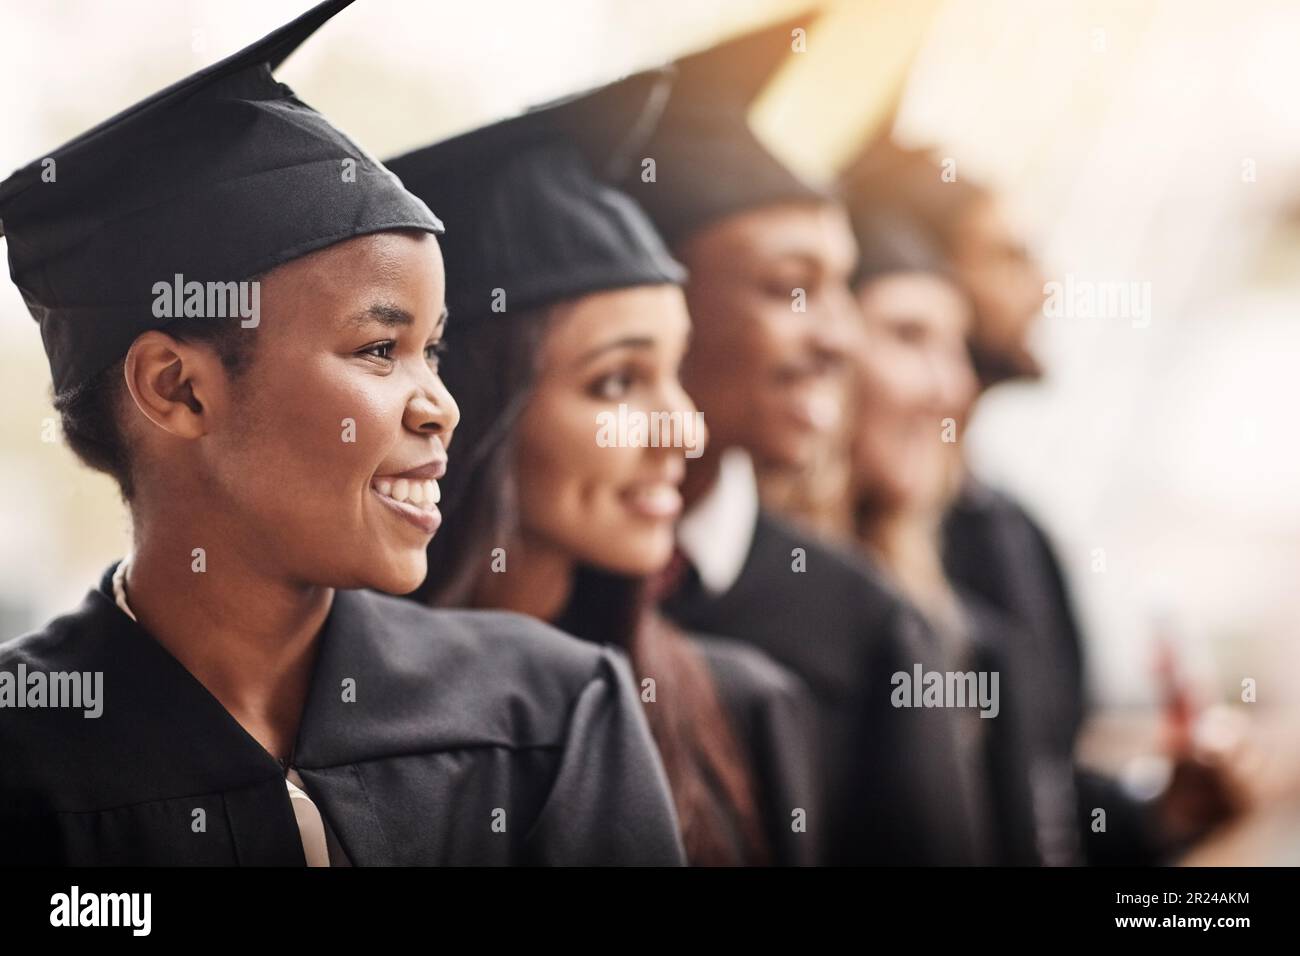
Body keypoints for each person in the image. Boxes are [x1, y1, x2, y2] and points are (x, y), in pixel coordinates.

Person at [0, 0, 684, 866]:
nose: (440, 404)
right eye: (378, 348)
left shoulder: (548, 715)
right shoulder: (29, 759)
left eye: (432, 350)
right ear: (177, 389)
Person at [385, 70, 821, 866]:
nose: (685, 431)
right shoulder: (336, 726)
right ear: (474, 410)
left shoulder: (739, 705)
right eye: (617, 381)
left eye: (677, 370)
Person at [618, 13, 987, 864]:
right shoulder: (528, 592)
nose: (839, 339)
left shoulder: (866, 626)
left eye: (841, 291)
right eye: (791, 288)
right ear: (657, 308)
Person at [839, 137, 1246, 863]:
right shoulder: (831, 562)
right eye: (1010, 256)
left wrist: (1153, 810)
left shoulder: (1011, 531)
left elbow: (1035, 796)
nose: (1046, 286)